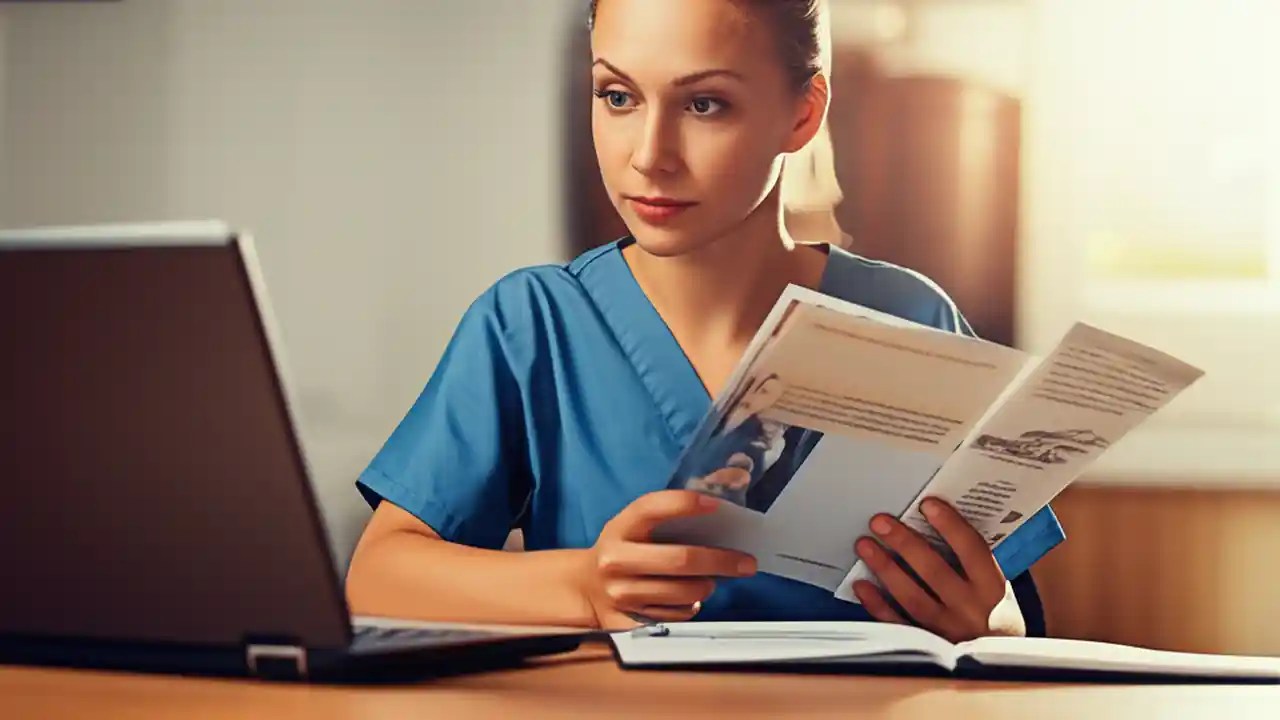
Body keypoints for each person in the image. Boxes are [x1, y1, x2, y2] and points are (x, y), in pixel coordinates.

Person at [345, 0, 1065, 641]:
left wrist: (986, 621)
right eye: (618, 95)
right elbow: (377, 574)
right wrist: (585, 585)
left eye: (704, 105)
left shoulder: (913, 321)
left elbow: (1010, 615)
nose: (649, 157)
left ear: (802, 114)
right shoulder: (531, 325)